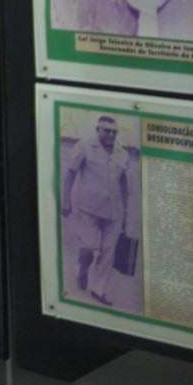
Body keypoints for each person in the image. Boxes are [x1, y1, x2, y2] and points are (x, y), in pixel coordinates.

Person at [61, 114, 132, 306]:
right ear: (98, 130)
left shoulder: (122, 154)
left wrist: (125, 214)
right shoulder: (84, 146)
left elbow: (124, 185)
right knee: (88, 249)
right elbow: (71, 174)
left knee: (108, 253)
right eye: (107, 131)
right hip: (87, 210)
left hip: (114, 213)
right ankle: (82, 270)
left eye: (114, 132)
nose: (111, 135)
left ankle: (99, 289)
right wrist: (66, 200)